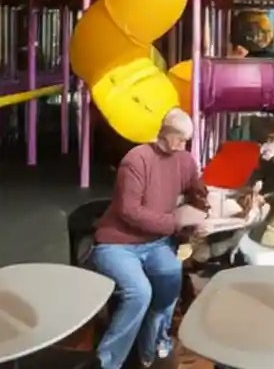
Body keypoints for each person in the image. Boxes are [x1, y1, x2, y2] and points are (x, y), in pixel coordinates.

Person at [91, 109, 207, 369]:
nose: (182, 144)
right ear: (165, 132)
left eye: (186, 139)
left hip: (156, 242)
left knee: (170, 278)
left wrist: (202, 204)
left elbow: (194, 187)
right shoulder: (136, 160)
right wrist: (174, 222)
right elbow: (129, 211)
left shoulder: (185, 160)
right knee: (139, 292)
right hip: (118, 243)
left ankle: (153, 344)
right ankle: (108, 361)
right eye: (179, 138)